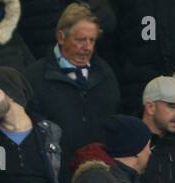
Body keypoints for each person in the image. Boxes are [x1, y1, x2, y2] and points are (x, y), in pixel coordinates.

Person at [22, 3, 121, 165]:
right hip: (53, 172)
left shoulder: (106, 74)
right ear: (61, 37)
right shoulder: (34, 77)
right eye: (81, 40)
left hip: (98, 172)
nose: (87, 48)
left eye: (92, 40)